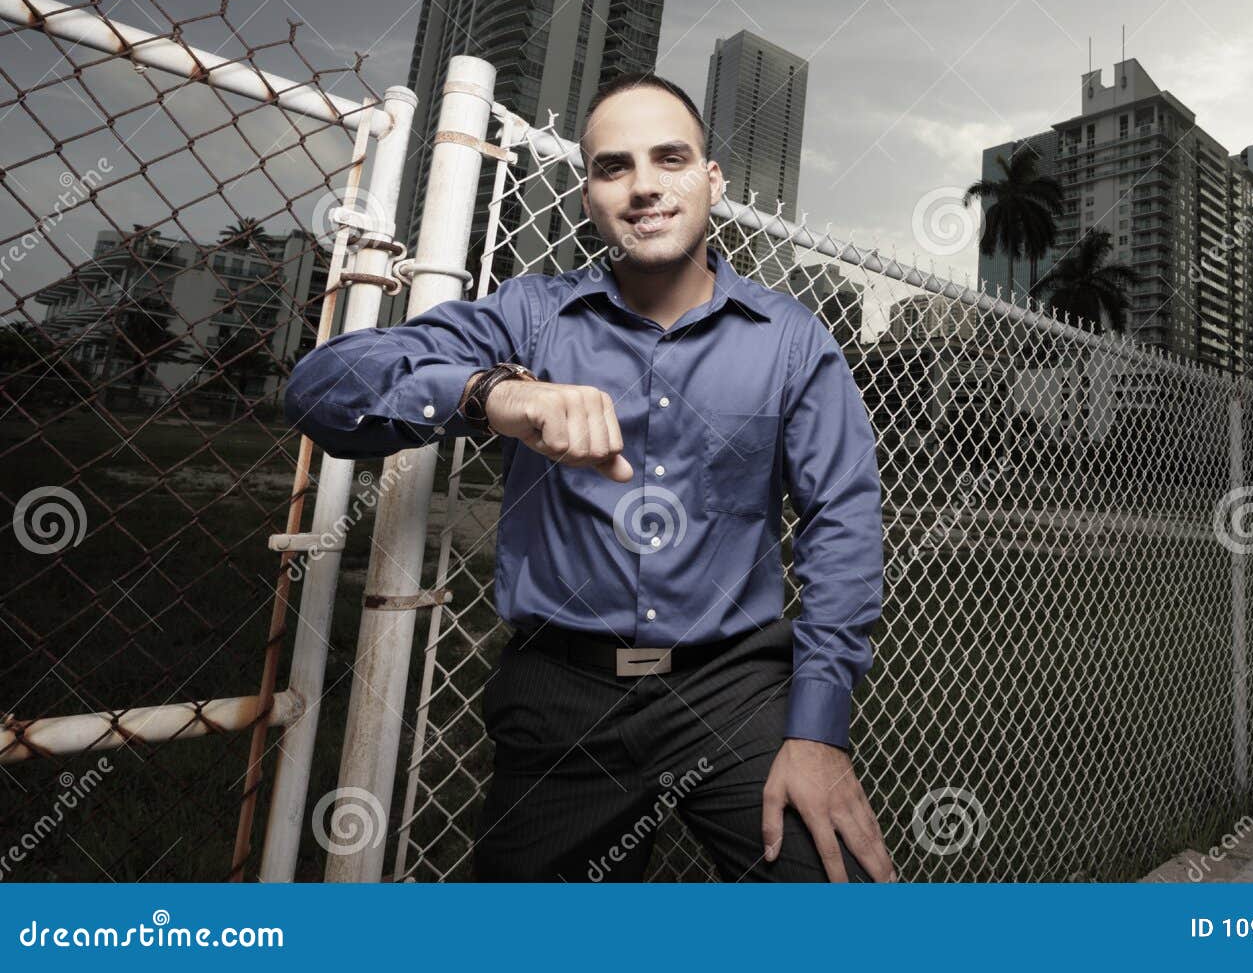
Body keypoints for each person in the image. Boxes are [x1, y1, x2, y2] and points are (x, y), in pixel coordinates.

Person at [283, 72, 895, 883]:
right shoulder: (532, 316)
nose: (643, 185)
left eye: (669, 158)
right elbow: (321, 389)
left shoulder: (792, 340)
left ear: (711, 180)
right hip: (562, 693)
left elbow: (843, 527)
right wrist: (491, 393)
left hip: (735, 689)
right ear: (588, 197)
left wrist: (817, 732)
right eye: (614, 167)